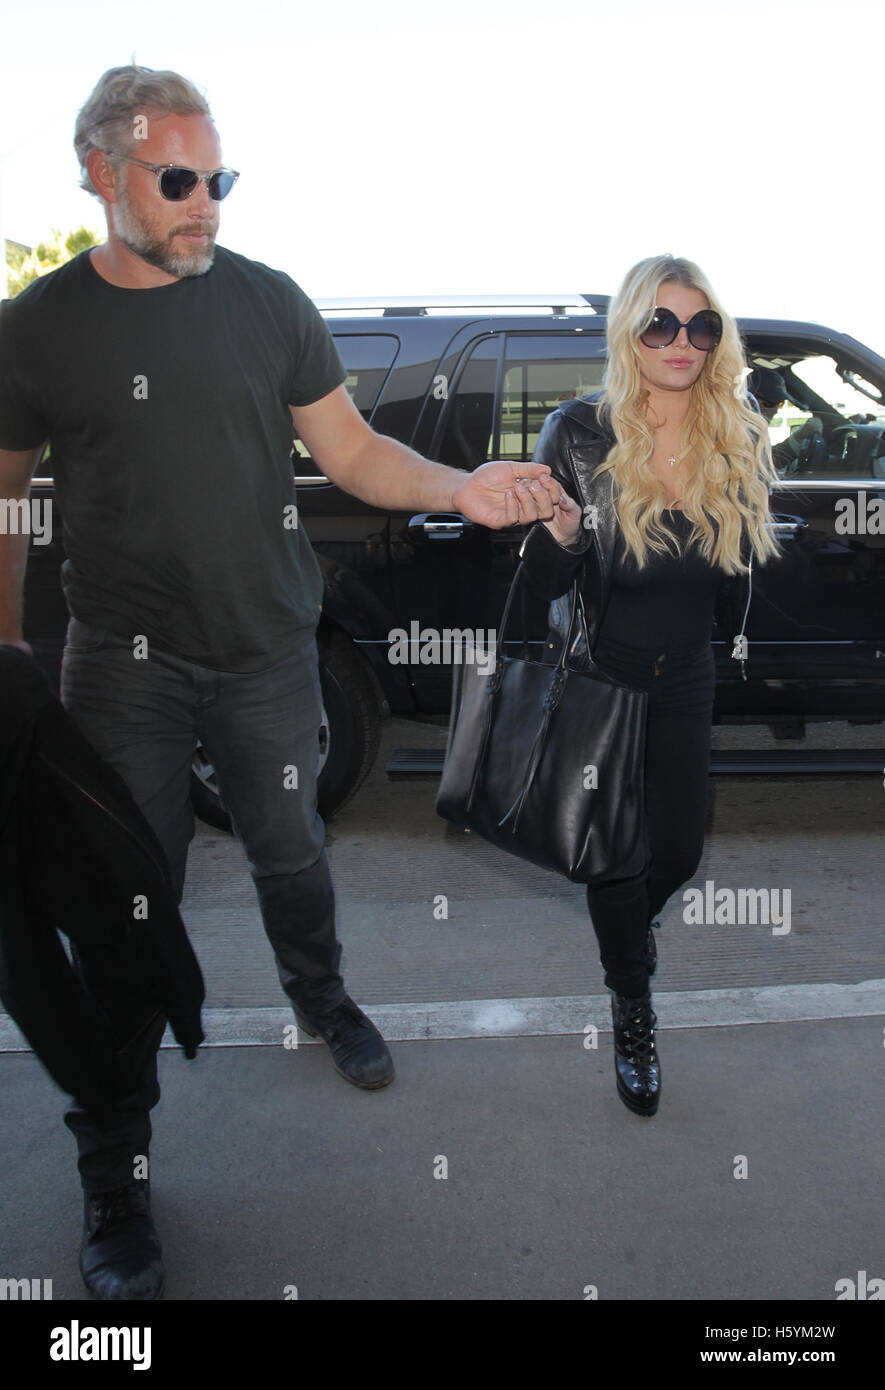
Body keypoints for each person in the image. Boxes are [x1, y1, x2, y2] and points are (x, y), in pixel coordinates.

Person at [0, 65, 554, 1300]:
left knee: (292, 851)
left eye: (221, 179)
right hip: (121, 670)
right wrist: (1, 661)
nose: (208, 205)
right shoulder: (36, 328)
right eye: (179, 181)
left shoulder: (269, 304)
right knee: (122, 906)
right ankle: (115, 1171)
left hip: (265, 653)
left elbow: (354, 450)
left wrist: (463, 485)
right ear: (101, 174)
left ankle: (322, 994)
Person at [517, 254, 781, 1117]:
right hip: (605, 678)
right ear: (630, 330)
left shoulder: (732, 434)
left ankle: (627, 934)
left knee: (678, 853)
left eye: (700, 326)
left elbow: (732, 575)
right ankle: (632, 1002)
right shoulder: (579, 433)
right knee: (617, 854)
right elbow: (535, 597)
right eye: (661, 323)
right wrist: (559, 536)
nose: (682, 342)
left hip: (686, 678)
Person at [747, 366, 823, 477]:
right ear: (751, 399)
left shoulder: (754, 428)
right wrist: (797, 438)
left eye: (781, 404)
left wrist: (798, 437)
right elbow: (765, 466)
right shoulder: (738, 430)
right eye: (771, 403)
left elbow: (765, 458)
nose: (776, 410)